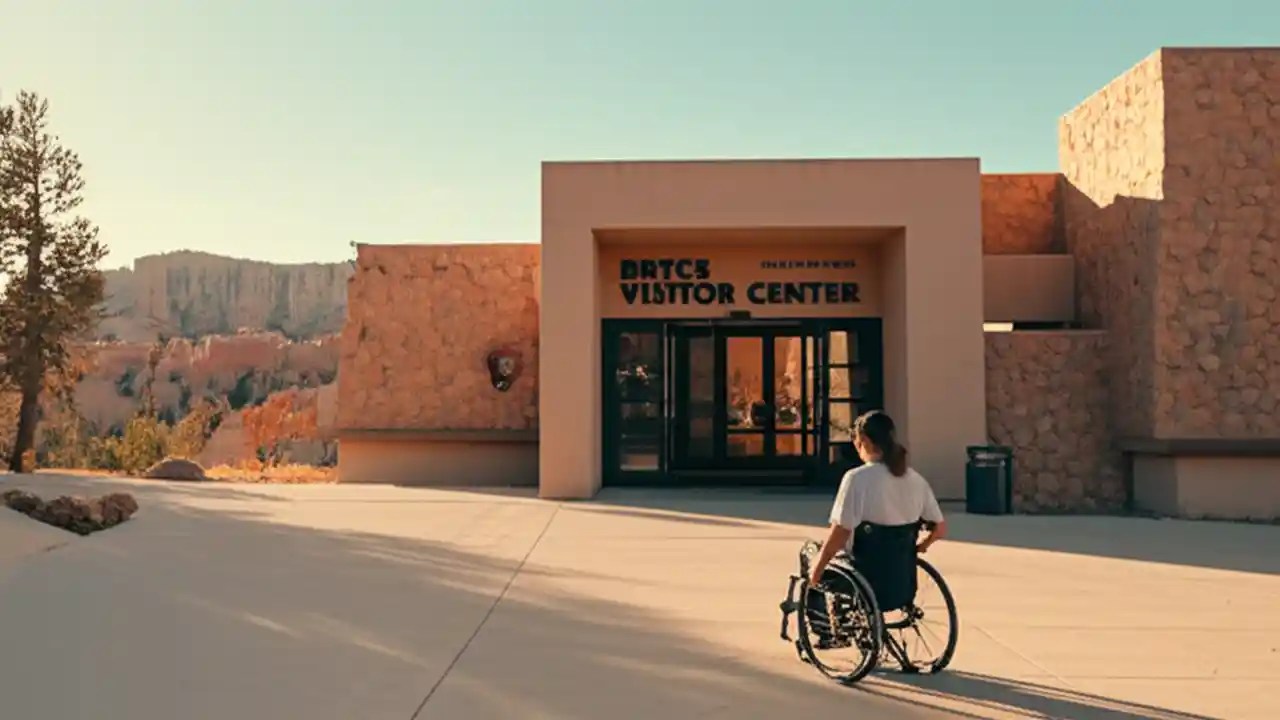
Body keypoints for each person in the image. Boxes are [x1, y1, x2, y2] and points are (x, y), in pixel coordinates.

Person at [807, 410, 947, 587]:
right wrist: (921, 546)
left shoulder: (856, 478)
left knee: (810, 554)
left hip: (864, 571)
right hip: (900, 576)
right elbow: (940, 528)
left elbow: (840, 532)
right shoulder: (915, 479)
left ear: (864, 441)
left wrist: (818, 568)